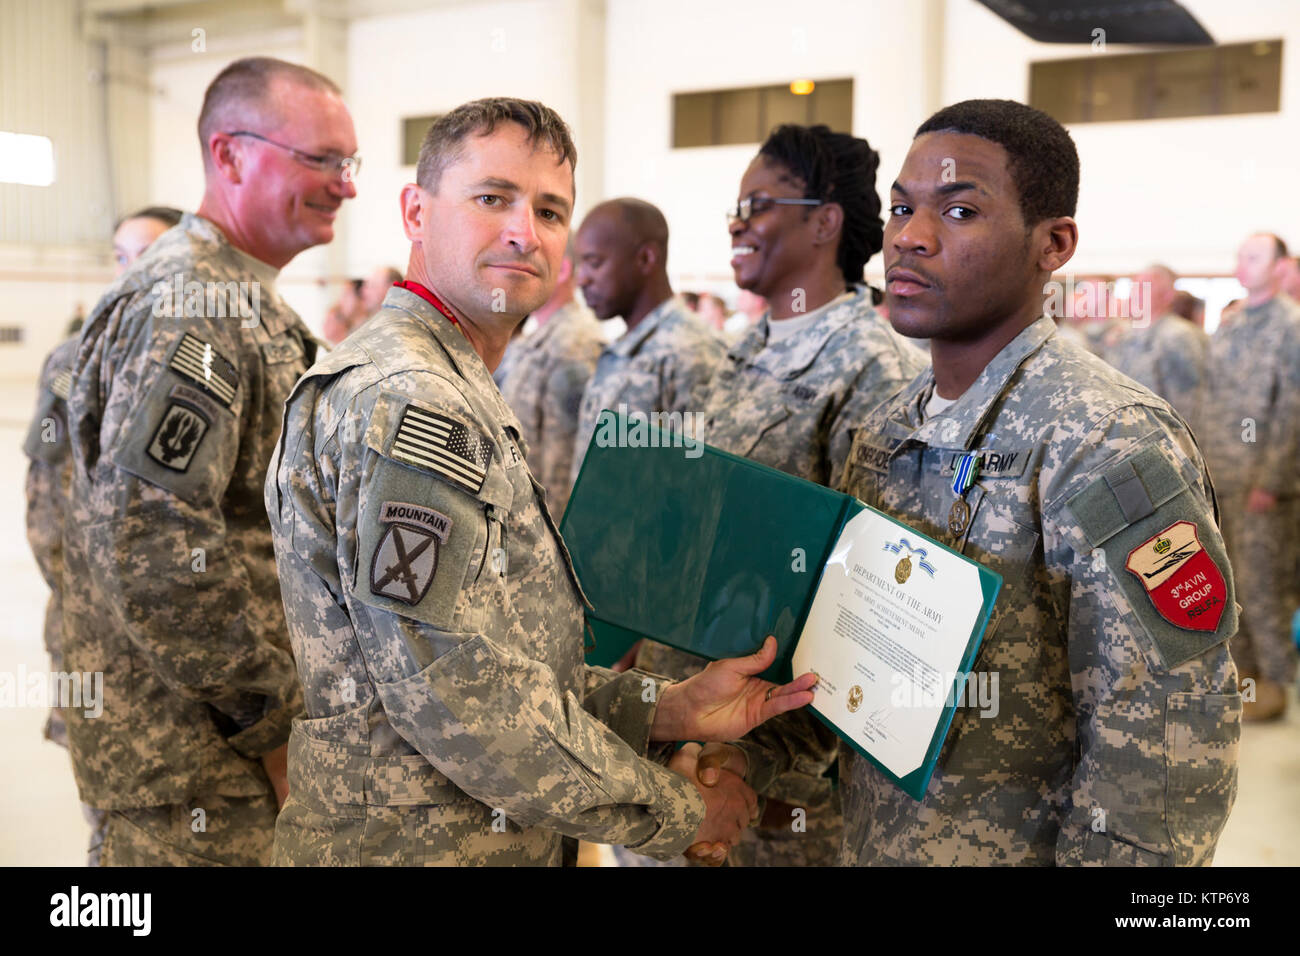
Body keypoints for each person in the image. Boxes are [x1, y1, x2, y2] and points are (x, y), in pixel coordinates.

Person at [265, 96, 815, 867]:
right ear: (415, 213)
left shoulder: (450, 379)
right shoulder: (414, 399)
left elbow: (505, 664)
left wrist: (669, 707)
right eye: (493, 198)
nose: (526, 231)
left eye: (551, 211)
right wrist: (678, 810)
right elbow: (453, 696)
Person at [704, 99, 1241, 866]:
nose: (910, 237)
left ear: (1052, 245)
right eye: (900, 208)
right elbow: (848, 657)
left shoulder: (1104, 441)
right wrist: (745, 763)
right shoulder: (888, 430)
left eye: (959, 211)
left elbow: (1167, 749)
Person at [60, 56, 357, 866]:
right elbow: (153, 541)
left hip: (209, 748)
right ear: (229, 155)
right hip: (199, 759)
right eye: (320, 160)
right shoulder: (191, 305)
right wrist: (266, 724)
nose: (346, 184)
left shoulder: (235, 294)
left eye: (348, 162)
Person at [633, 123, 925, 867]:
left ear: (825, 221)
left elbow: (867, 607)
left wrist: (764, 772)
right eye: (736, 205)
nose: (737, 221)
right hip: (676, 734)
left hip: (770, 780)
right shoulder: (740, 348)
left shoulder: (873, 369)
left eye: (758, 204)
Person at [23, 204, 182, 866]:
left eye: (147, 257)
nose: (130, 273)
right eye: (121, 258)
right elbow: (45, 509)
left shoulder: (202, 355)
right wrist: (101, 609)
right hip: (104, 642)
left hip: (187, 652)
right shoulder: (75, 357)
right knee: (119, 821)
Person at [1202, 233, 1300, 720]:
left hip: (1263, 485)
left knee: (1265, 585)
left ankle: (1277, 685)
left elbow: (1292, 410)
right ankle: (1245, 684)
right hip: (1221, 475)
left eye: (1255, 256)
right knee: (1231, 583)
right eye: (1241, 255)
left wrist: (1273, 479)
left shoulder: (1291, 325)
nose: (1244, 263)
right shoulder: (1232, 324)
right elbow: (1209, 398)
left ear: (1280, 267)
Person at [570, 198, 725, 484]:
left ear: (645, 259)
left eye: (594, 263)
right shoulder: (622, 348)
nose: (582, 280)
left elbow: (700, 485)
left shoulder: (691, 351)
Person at [497, 242, 605, 518]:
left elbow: (569, 460)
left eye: (528, 262)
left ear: (563, 270)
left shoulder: (576, 342)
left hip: (550, 527)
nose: (515, 273)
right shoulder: (535, 338)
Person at [1107, 264, 1208, 433]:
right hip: (1127, 433)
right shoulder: (1124, 334)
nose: (1134, 293)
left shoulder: (1178, 336)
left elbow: (1190, 403)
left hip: (1163, 437)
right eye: (1134, 286)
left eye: (1144, 288)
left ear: (1168, 295)